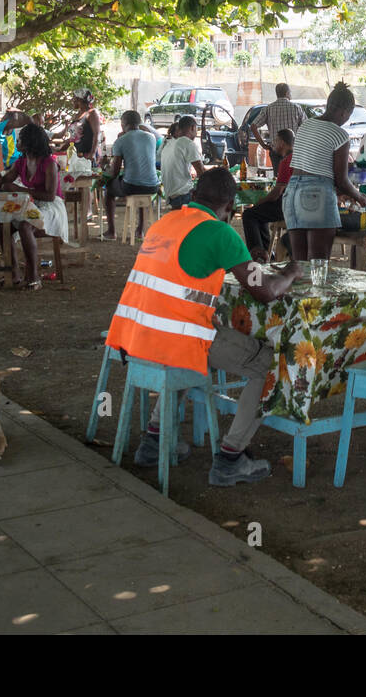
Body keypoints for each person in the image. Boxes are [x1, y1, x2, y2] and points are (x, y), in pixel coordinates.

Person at [106, 167, 303, 484]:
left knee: (194, 347)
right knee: (270, 363)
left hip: (136, 334)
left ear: (194, 196)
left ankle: (154, 442)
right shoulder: (220, 232)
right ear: (230, 206)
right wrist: (291, 274)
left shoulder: (165, 222)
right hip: (175, 337)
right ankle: (231, 458)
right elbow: (264, 290)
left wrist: (245, 257)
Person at [283, 82, 366, 263]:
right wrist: (359, 196)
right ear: (345, 112)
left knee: (300, 266)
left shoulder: (305, 126)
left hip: (291, 193)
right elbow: (342, 180)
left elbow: (313, 166)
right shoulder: (340, 135)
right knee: (318, 266)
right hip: (316, 196)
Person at [0, 122, 67, 289]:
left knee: (25, 225)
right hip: (29, 203)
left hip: (51, 207)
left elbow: (50, 196)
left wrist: (20, 189)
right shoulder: (21, 162)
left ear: (30, 142)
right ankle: (13, 273)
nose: (17, 142)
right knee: (3, 225)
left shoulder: (48, 163)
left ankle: (34, 277)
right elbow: (1, 184)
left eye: (20, 139)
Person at [103, 110, 159, 240]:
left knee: (109, 189)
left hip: (132, 187)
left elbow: (115, 171)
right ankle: (140, 231)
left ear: (123, 124)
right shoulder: (151, 137)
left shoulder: (121, 141)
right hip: (153, 186)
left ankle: (111, 231)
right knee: (139, 183)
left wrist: (106, 171)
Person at [242, 128, 294, 261]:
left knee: (249, 214)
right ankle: (265, 251)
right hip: (299, 203)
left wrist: (261, 201)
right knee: (259, 214)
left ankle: (258, 253)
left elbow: (276, 193)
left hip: (288, 205)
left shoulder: (286, 162)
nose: (273, 144)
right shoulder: (299, 157)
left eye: (275, 141)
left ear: (282, 142)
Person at [162, 115, 207, 209]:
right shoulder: (187, 142)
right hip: (183, 196)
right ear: (193, 128)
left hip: (171, 196)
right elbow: (202, 174)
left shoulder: (169, 144)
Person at [255, 83, 305, 166]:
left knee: (278, 176)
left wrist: (263, 144)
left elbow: (253, 126)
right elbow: (305, 126)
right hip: (293, 151)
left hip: (276, 150)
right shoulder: (296, 108)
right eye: (290, 92)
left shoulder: (268, 108)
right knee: (291, 175)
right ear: (287, 93)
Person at [68, 88, 105, 164]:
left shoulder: (92, 113)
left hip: (88, 156)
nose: (72, 100)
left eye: (73, 98)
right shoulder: (77, 115)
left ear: (79, 99)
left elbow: (96, 134)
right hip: (76, 155)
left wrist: (92, 153)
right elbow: (73, 137)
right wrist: (60, 148)